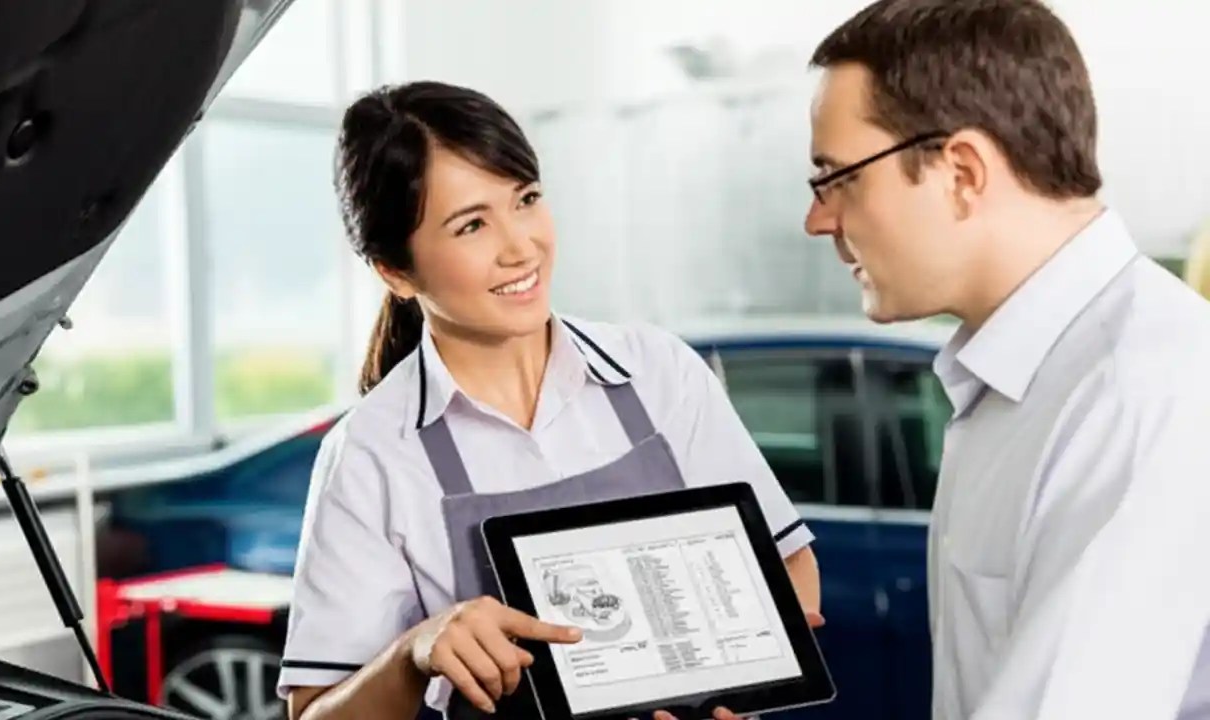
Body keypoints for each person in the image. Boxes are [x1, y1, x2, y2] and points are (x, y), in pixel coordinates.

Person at [277, 80, 823, 720]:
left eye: (527, 199)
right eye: (472, 224)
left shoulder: (660, 373)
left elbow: (787, 564)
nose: (521, 246)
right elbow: (315, 714)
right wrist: (413, 652)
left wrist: (732, 695)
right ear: (396, 272)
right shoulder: (371, 454)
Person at [804, 0, 1210, 718]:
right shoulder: (1020, 376)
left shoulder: (1138, 392)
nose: (819, 219)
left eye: (840, 179)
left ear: (961, 170)